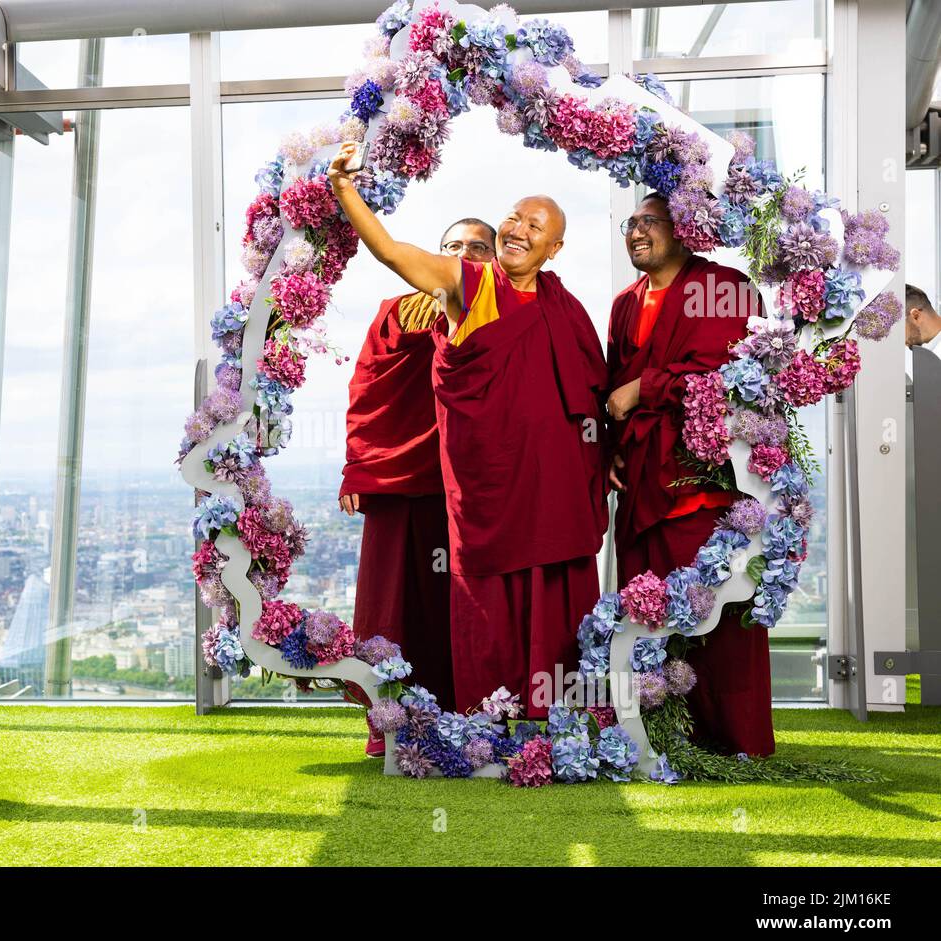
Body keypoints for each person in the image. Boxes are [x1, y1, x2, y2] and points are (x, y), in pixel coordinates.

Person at [327, 142, 609, 719]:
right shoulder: (468, 285)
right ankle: (489, 722)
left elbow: (592, 397)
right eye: (513, 216)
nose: (518, 229)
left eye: (536, 225)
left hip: (552, 490)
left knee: (557, 598)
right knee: (487, 604)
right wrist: (344, 190)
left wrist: (608, 459)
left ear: (554, 248)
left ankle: (563, 722)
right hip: (488, 489)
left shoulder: (566, 307)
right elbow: (389, 250)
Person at [605, 191, 775, 757]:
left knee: (717, 612)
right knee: (644, 608)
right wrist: (609, 449)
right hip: (642, 480)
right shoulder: (625, 302)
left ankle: (736, 742)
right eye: (632, 223)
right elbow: (611, 388)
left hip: (702, 478)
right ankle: (656, 741)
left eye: (650, 222)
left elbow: (733, 378)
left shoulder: (723, 287)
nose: (636, 232)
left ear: (684, 229)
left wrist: (647, 388)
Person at [340, 218, 495, 754]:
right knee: (393, 605)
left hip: (474, 486)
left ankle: (464, 718)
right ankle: (391, 721)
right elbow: (368, 385)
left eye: (478, 247)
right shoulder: (397, 310)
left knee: (462, 605)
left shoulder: (503, 309)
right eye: (452, 246)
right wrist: (359, 467)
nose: (465, 254)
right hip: (400, 479)